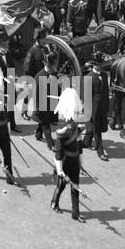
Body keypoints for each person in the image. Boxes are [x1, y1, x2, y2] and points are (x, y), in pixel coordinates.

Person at [50, 87, 85, 222]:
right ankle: (54, 202)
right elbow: (58, 152)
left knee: (75, 187)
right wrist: (59, 170)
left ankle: (75, 213)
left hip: (74, 160)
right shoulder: (61, 130)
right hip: (64, 161)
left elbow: (79, 147)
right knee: (62, 185)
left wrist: (81, 164)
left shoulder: (77, 127)